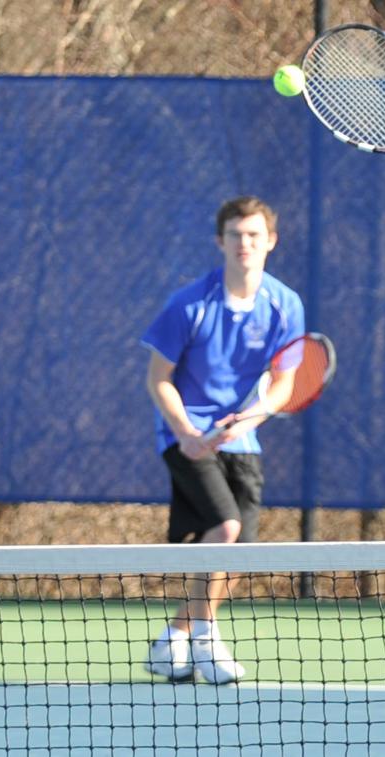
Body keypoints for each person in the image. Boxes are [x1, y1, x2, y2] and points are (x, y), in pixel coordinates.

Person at [138, 195, 305, 685]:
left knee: (238, 551)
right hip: (185, 436)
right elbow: (158, 379)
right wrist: (187, 434)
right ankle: (208, 641)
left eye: (254, 235)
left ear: (271, 242)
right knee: (226, 528)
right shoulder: (188, 304)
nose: (244, 244)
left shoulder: (285, 304)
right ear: (220, 241)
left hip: (242, 440)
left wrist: (251, 419)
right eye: (235, 235)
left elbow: (286, 383)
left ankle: (172, 640)